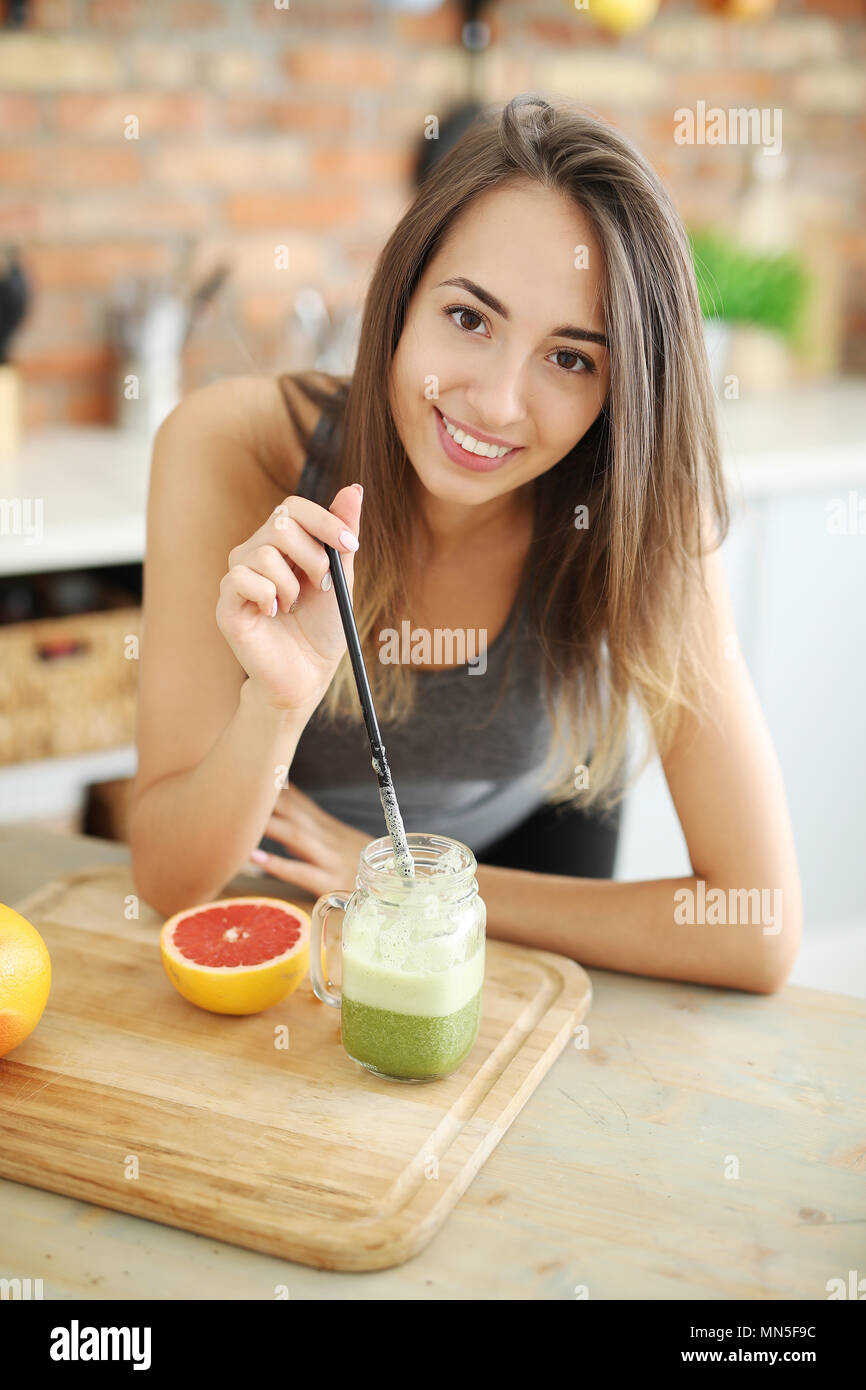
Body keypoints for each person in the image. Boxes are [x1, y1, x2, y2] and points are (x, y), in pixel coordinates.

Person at [130, 95, 801, 993]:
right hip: (285, 876)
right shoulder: (234, 447)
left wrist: (405, 878)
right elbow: (169, 882)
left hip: (517, 869)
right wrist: (278, 706)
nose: (494, 403)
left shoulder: (645, 506)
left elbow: (755, 926)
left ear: (621, 392)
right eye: (470, 319)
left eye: (571, 359)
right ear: (403, 297)